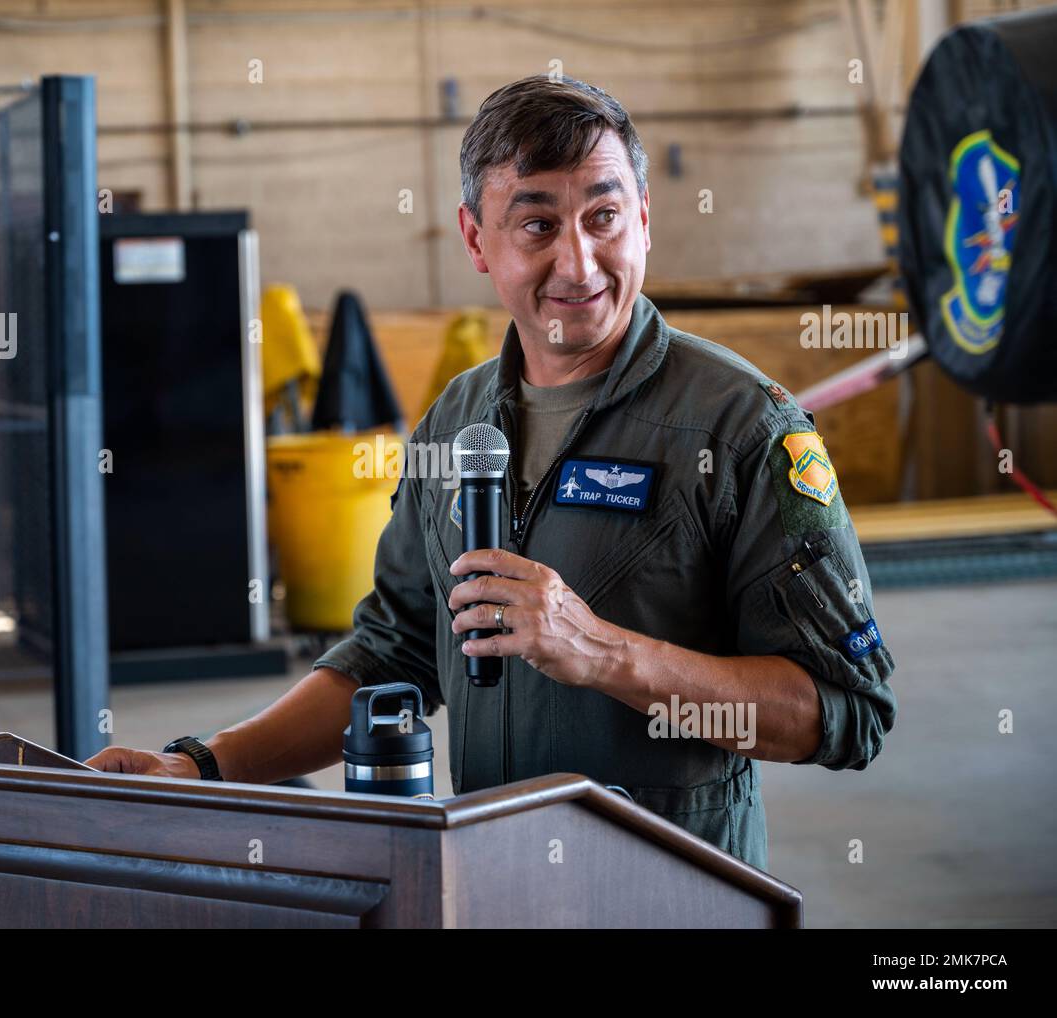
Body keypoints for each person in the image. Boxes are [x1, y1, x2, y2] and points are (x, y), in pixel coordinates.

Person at [88, 75, 897, 870]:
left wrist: (603, 652)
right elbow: (394, 649)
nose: (579, 264)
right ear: (476, 240)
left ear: (645, 222)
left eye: (604, 218)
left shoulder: (741, 425)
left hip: (673, 899)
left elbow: (844, 708)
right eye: (538, 224)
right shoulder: (455, 421)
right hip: (492, 885)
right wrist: (199, 766)